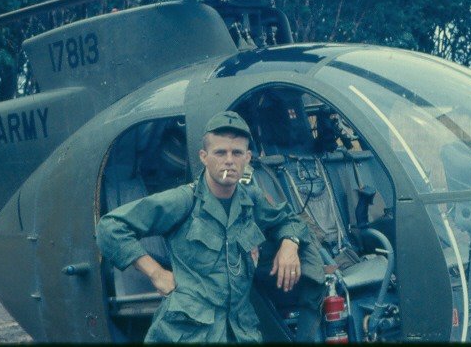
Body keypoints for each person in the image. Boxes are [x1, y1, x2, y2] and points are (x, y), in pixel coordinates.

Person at [96, 111, 325, 343]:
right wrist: (156, 273)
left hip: (239, 331)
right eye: (220, 152)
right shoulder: (184, 200)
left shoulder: (251, 200)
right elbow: (110, 227)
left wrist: (290, 244)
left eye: (236, 153)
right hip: (186, 334)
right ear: (204, 157)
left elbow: (290, 220)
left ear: (247, 158)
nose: (229, 160)